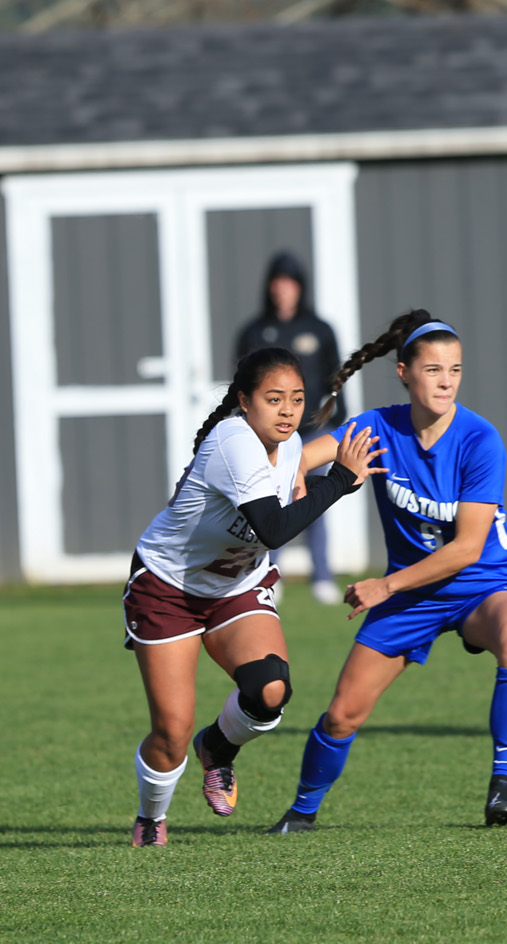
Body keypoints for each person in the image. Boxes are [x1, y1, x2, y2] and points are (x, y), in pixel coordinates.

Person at [267, 309, 507, 835]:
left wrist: (383, 585)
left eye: (455, 370)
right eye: (433, 369)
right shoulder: (376, 428)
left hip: (482, 583)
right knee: (344, 713)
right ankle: (302, 812)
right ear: (404, 373)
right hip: (413, 597)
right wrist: (297, 480)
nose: (446, 381)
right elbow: (302, 456)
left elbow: (466, 550)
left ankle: (502, 785)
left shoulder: (481, 440)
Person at [124, 347, 383, 846]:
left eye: (296, 399)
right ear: (244, 401)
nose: (287, 411)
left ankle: (217, 748)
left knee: (270, 692)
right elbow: (271, 529)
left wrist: (333, 468)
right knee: (170, 733)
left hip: (235, 589)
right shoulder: (233, 442)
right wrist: (340, 481)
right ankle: (151, 817)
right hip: (168, 589)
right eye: (273, 399)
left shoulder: (287, 446)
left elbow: (312, 468)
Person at [236, 251, 347, 605]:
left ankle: (322, 575)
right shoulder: (255, 332)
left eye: (290, 284)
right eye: (278, 284)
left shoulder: (319, 330)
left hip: (313, 428)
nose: (284, 291)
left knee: (313, 495)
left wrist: (339, 419)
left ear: (300, 288)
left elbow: (336, 376)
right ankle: (270, 572)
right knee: (271, 500)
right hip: (268, 434)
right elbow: (240, 382)